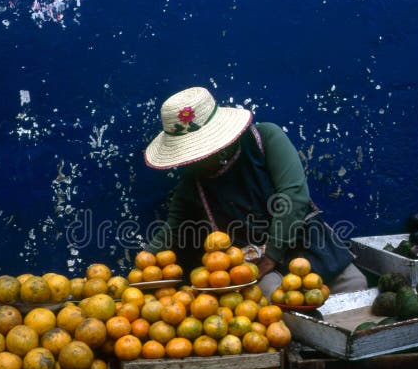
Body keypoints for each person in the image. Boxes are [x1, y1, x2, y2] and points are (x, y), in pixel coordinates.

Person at [143, 86, 367, 298]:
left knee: (355, 286)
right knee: (278, 308)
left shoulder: (266, 138)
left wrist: (272, 254)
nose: (196, 158)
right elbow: (171, 230)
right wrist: (140, 269)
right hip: (255, 267)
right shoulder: (192, 183)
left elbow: (294, 195)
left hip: (307, 244)